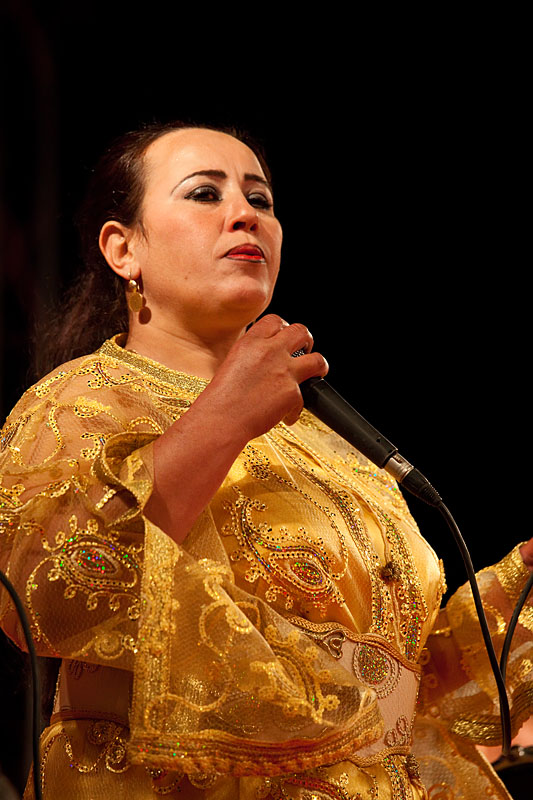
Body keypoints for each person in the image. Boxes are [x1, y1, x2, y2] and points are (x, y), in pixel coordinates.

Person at [1, 121, 532, 800]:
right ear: (122, 248)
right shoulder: (77, 403)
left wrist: (519, 591)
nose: (245, 212)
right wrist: (221, 420)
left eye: (262, 199)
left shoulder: (327, 443)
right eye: (203, 193)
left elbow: (404, 689)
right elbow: (49, 595)